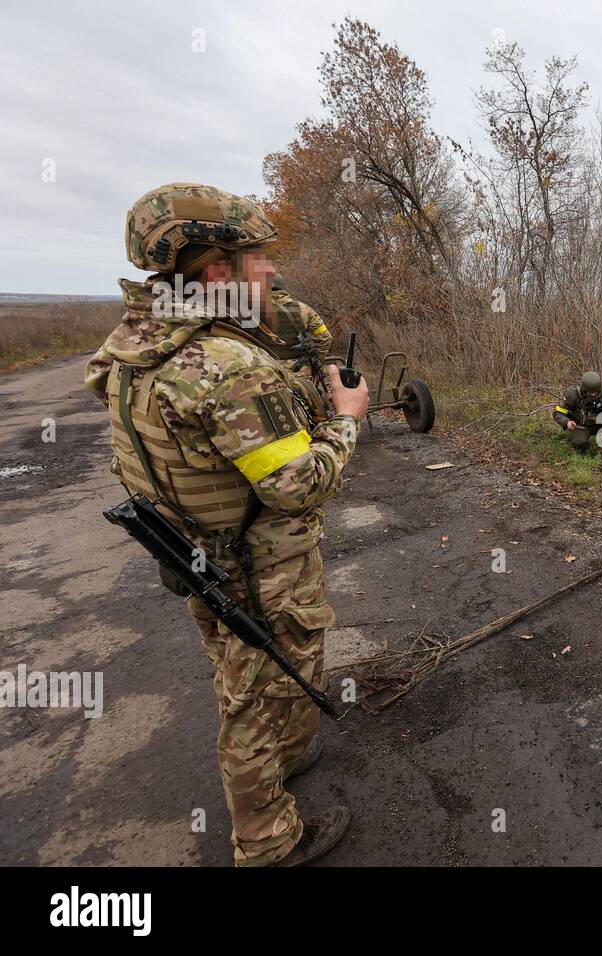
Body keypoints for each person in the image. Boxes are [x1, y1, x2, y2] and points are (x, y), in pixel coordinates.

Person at [87, 183, 369, 866]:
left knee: (244, 679)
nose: (271, 270)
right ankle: (268, 841)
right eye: (258, 259)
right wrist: (346, 418)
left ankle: (286, 757)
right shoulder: (227, 367)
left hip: (195, 555)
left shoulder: (135, 343)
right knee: (251, 700)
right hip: (257, 570)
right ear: (219, 274)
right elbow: (300, 486)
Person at [553, 371, 602, 451]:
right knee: (579, 443)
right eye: (590, 393)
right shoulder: (572, 394)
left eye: (595, 392)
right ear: (583, 388)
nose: (593, 395)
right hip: (581, 426)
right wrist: (567, 422)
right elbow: (558, 413)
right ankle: (590, 451)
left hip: (600, 422)